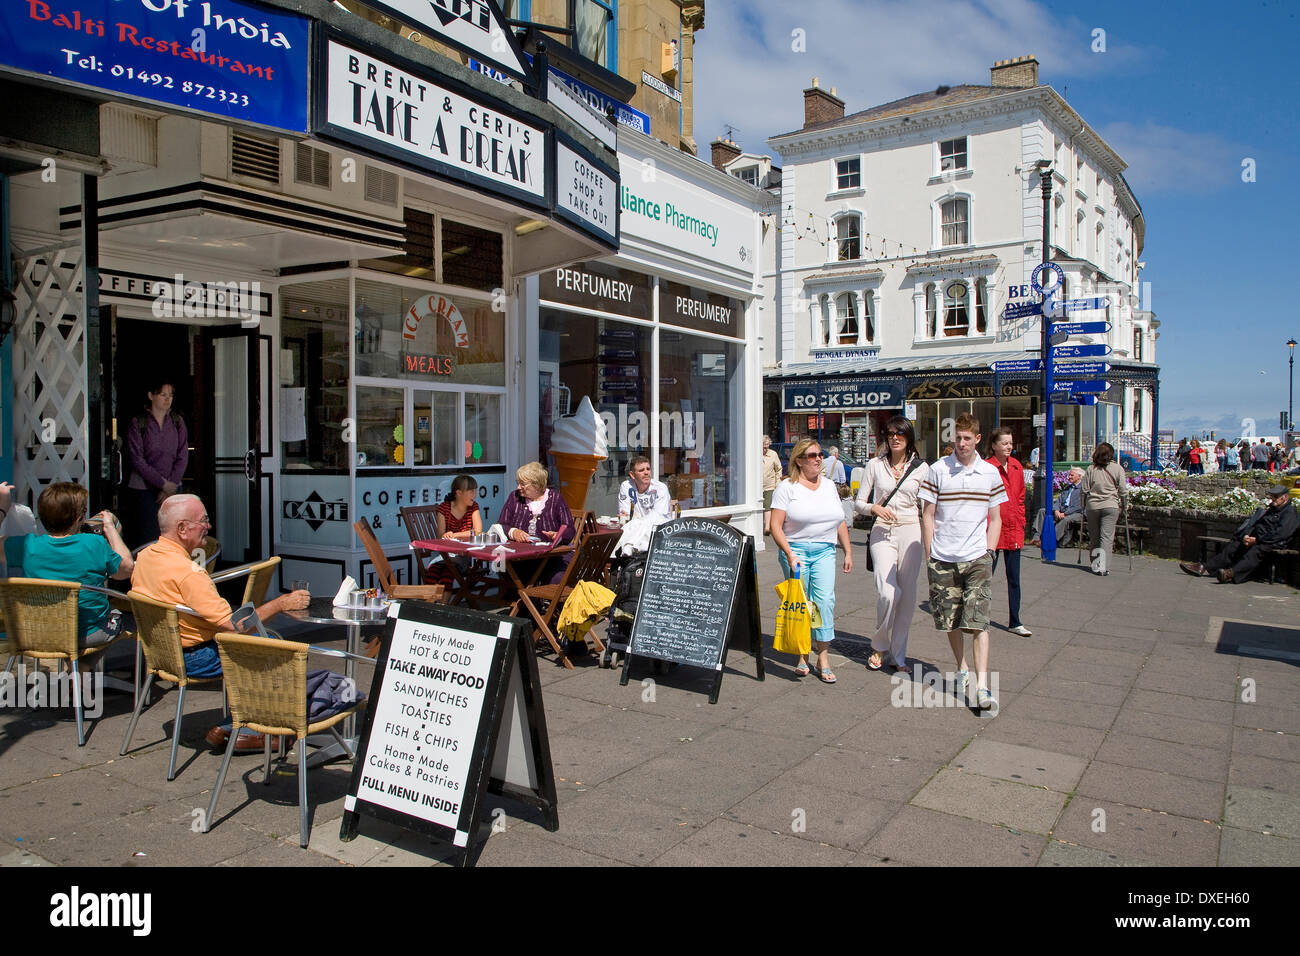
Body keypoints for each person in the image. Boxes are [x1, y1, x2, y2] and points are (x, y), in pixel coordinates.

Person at [131, 494, 309, 751]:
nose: (209, 527)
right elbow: (234, 625)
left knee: (262, 643)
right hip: (196, 657)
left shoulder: (146, 557)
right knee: (279, 652)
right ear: (182, 528)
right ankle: (243, 729)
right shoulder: (188, 573)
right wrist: (280, 604)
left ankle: (252, 723)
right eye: (203, 520)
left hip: (163, 653)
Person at [919, 412, 1006, 711]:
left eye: (967, 438)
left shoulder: (990, 474)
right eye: (957, 437)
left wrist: (990, 551)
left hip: (977, 556)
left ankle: (983, 687)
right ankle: (962, 666)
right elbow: (927, 514)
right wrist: (930, 553)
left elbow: (996, 518)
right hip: (943, 556)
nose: (962, 443)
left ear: (978, 439)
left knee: (979, 622)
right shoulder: (938, 470)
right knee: (951, 621)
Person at [0, 481, 133, 647]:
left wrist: (2, 508)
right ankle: (81, 668)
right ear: (78, 519)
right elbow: (126, 570)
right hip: (85, 634)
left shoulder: (27, 546)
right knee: (127, 620)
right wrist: (109, 527)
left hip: (38, 633)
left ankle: (75, 668)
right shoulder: (93, 544)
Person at [770, 438, 853, 683]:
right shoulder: (787, 488)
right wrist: (789, 553)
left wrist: (848, 551)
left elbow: (839, 520)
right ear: (799, 461)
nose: (818, 459)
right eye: (812, 455)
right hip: (795, 550)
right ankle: (802, 654)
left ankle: (823, 656)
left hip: (825, 550)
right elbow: (775, 525)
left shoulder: (828, 486)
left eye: (820, 454)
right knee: (802, 603)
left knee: (824, 601)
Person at [855, 416, 928, 672]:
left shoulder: (921, 468)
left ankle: (898, 656)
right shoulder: (874, 465)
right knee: (888, 592)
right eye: (890, 433)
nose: (895, 438)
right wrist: (875, 508)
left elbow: (930, 506)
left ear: (909, 437)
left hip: (911, 530)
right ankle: (879, 645)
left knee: (907, 597)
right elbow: (858, 503)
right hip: (882, 531)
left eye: (900, 434)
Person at [1181, 485, 1300, 583]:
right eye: (1272, 497)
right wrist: (1248, 536)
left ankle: (1231, 573)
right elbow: (1258, 524)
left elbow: (1280, 534)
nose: (1272, 499)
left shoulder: (1289, 513)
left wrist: (1257, 540)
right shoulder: (1273, 509)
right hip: (1258, 538)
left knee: (1257, 550)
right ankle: (1204, 567)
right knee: (1234, 545)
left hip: (1272, 542)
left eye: (1275, 497)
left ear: (1285, 498)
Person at [125, 378, 189, 547]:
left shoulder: (177, 422)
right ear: (150, 396)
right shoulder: (138, 423)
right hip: (144, 490)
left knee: (173, 537)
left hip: (173, 488)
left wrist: (171, 485)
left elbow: (183, 455)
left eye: (170, 395)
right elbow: (137, 460)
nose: (168, 399)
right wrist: (162, 484)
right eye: (162, 394)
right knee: (148, 539)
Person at [499, 461, 576, 584]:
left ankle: (537, 601)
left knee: (556, 578)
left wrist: (558, 535)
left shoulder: (556, 499)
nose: (518, 487)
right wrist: (514, 532)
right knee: (504, 567)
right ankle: (527, 600)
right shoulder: (514, 497)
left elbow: (569, 529)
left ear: (537, 485)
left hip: (551, 557)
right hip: (522, 556)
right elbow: (502, 525)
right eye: (518, 483)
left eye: (523, 484)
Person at [986, 427, 1031, 636]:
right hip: (992, 530)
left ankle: (1015, 621)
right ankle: (978, 617)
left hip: (1013, 529)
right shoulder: (986, 468)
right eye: (1004, 443)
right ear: (994, 445)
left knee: (1014, 578)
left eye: (1010, 443)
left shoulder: (1016, 467)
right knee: (985, 576)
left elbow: (1020, 496)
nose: (1009, 447)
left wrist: (1020, 520)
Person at [1082, 442, 1128, 575]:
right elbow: (1123, 490)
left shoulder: (1091, 469)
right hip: (1110, 505)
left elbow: (1084, 490)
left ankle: (1095, 564)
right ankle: (1103, 567)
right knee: (1106, 538)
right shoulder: (1118, 468)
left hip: (1093, 506)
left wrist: (1082, 506)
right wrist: (1125, 505)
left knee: (1095, 537)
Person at [1032, 467, 1085, 546]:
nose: (1069, 477)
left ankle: (1050, 540)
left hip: (1077, 513)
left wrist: (1065, 513)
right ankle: (1036, 538)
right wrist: (1056, 510)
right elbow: (1059, 501)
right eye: (1069, 475)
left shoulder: (1083, 489)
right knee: (1042, 511)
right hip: (1062, 511)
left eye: (1072, 475)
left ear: (1079, 476)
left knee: (1065, 520)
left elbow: (1079, 506)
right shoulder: (1068, 488)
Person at [618, 456, 672, 523]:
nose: (646, 473)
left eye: (648, 469)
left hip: (659, 530)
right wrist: (627, 517)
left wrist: (634, 519)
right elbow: (625, 515)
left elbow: (657, 519)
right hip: (636, 530)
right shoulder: (626, 486)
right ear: (632, 475)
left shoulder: (661, 488)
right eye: (641, 470)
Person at [761, 436, 783, 535]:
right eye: (764, 446)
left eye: (767, 446)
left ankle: (767, 527)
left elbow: (778, 469)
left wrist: (777, 483)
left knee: (767, 507)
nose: (765, 448)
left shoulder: (773, 454)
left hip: (769, 485)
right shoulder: (755, 454)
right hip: (757, 487)